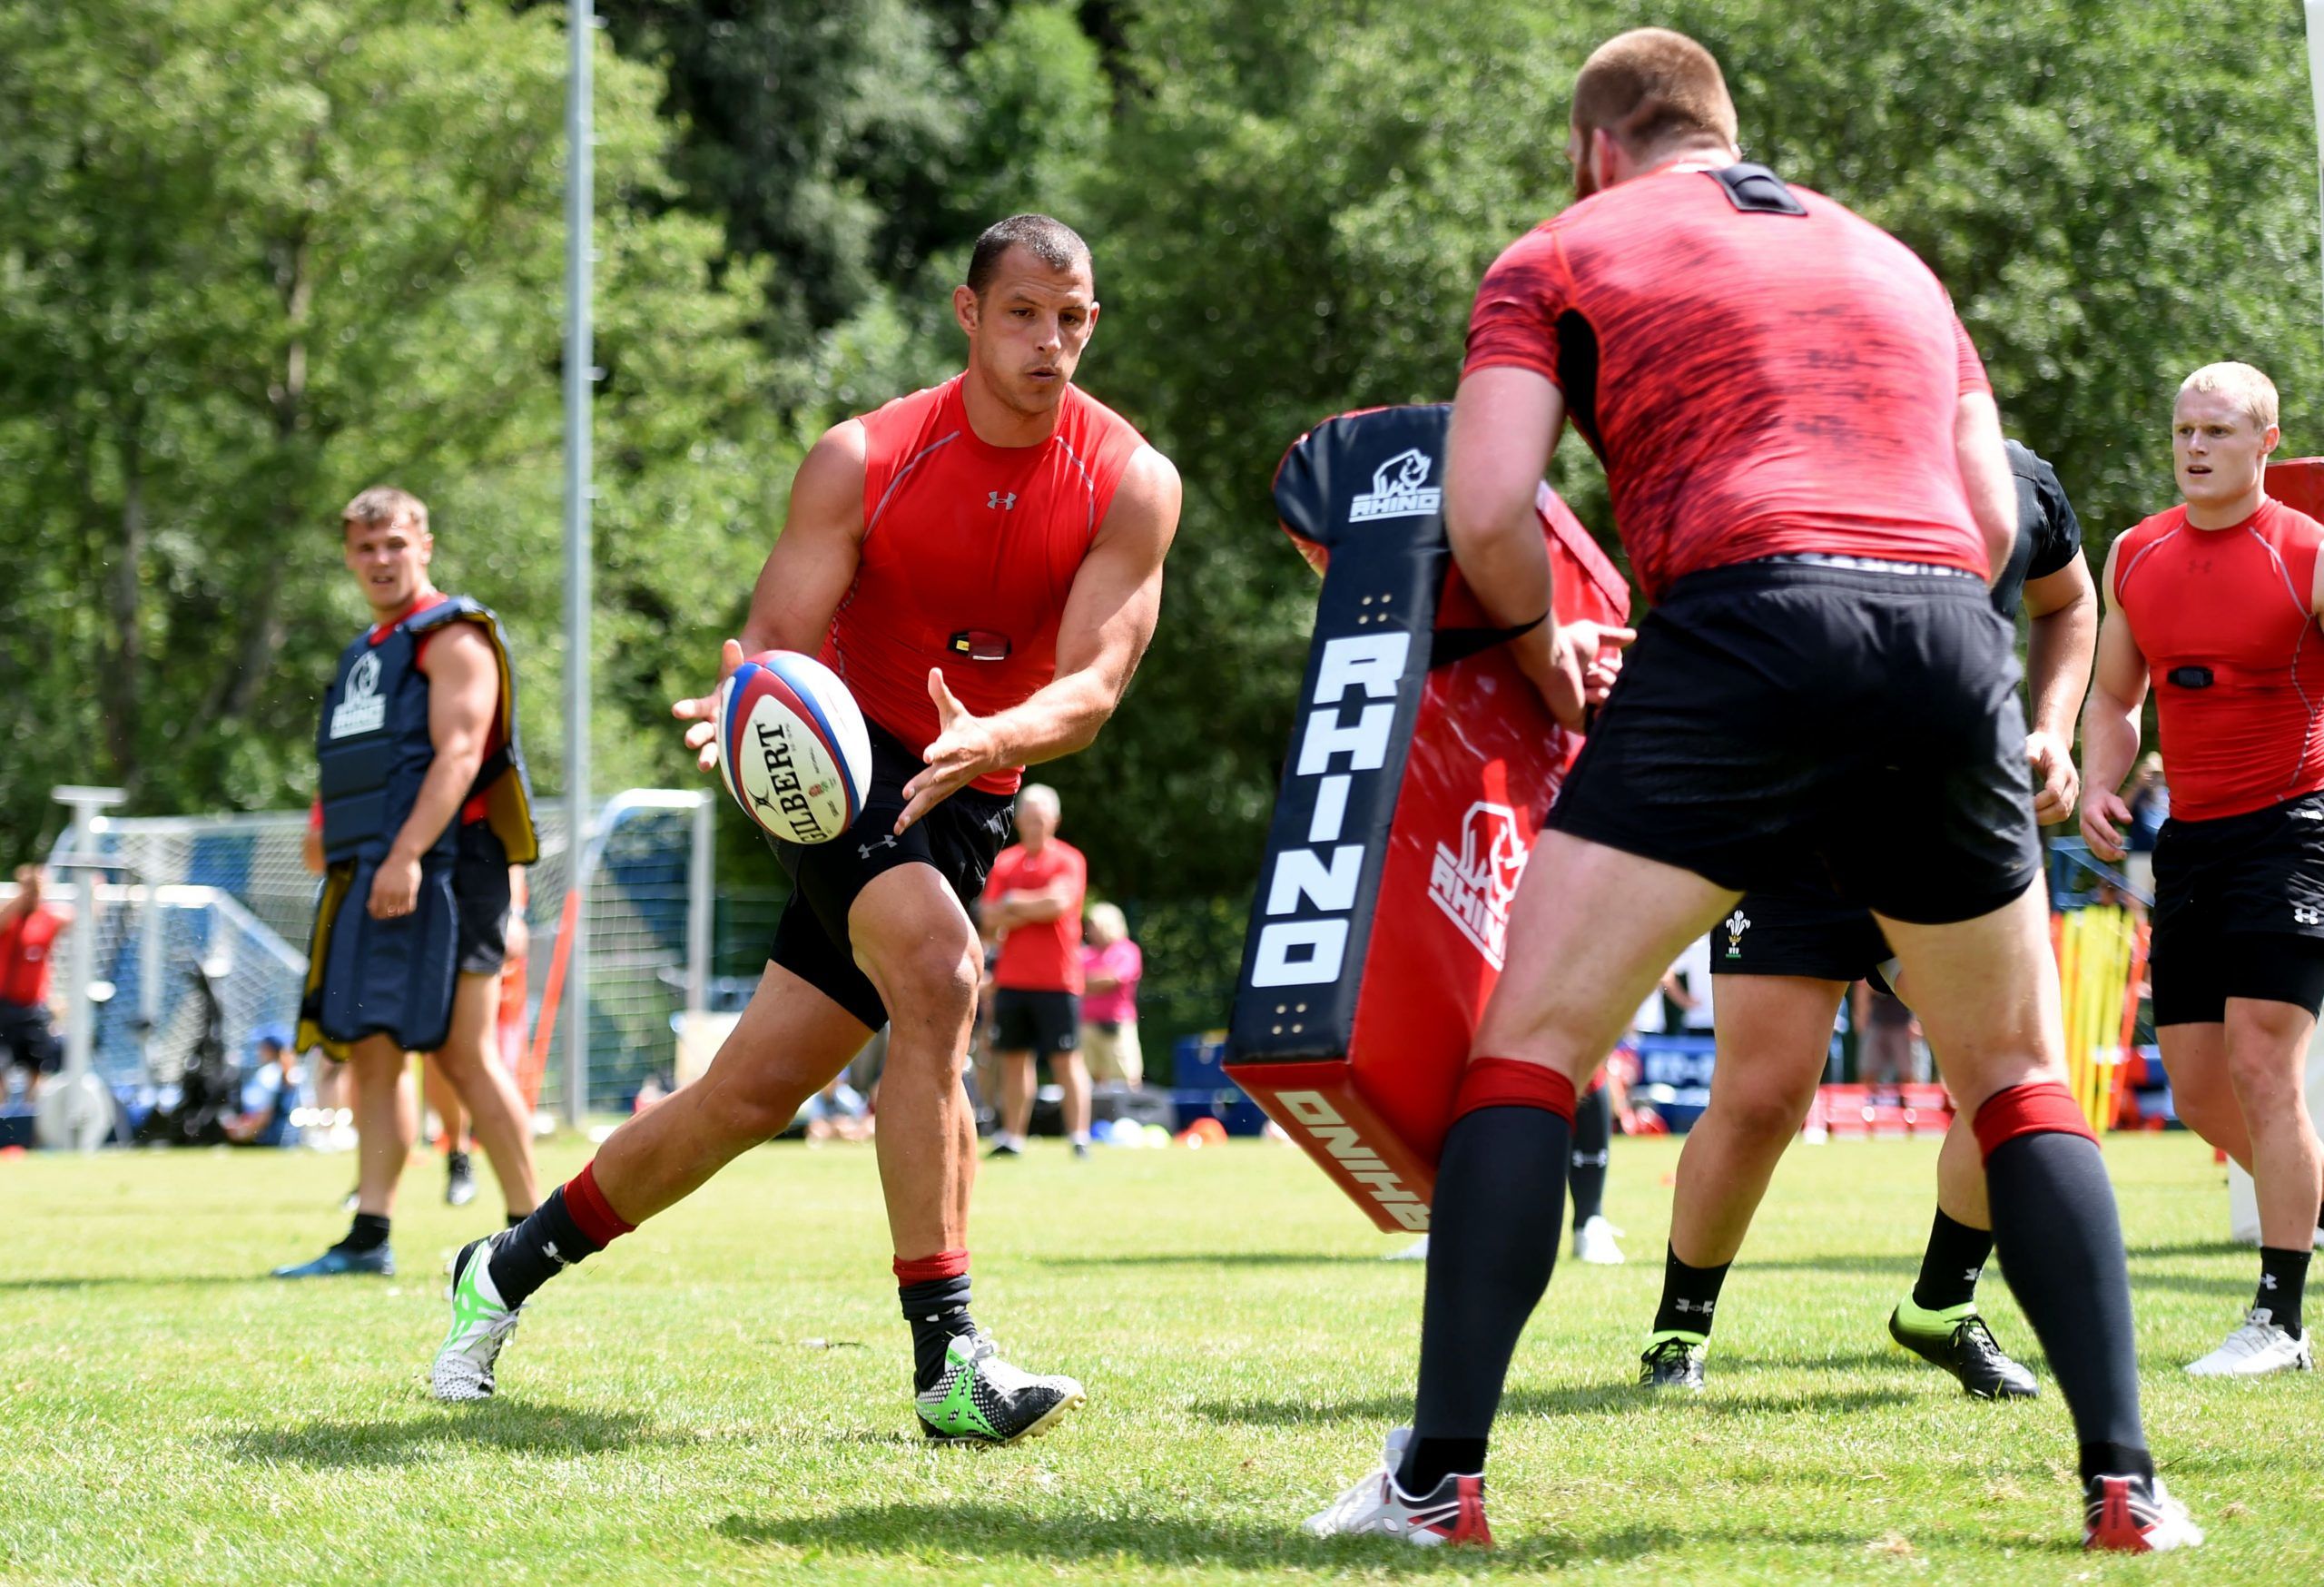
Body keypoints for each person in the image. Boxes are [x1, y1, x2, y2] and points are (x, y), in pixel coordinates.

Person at [1305, 30, 2193, 1553]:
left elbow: (1486, 503)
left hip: (1737, 617)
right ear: (1729, 131)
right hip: (1939, 635)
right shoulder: (1894, 261)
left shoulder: (1561, 249)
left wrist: (1538, 648)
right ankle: (2126, 1482)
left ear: (1596, 148)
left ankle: (1440, 1476)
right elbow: (1989, 515)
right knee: (2017, 1076)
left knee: (1529, 1046)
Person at [434, 214, 1182, 1446]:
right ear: (966, 312)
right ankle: (950, 1359)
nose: (1052, 342)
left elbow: (1095, 687)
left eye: (1074, 318)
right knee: (943, 978)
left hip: (972, 780)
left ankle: (502, 1267)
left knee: (742, 1100)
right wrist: (747, 713)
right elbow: (779, 643)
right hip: (842, 769)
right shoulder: (864, 456)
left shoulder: (1131, 480)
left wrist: (997, 739)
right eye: (1023, 315)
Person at [1638, 437, 2094, 1401]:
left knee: (2011, 1079)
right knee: (1760, 1098)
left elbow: (2067, 602)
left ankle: (1941, 1304)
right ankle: (1677, 1332)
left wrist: (2052, 729)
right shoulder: (1776, 460)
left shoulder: (2018, 476)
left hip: (1948, 833)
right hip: (1792, 834)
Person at [2083, 361, 2324, 1379]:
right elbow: (2111, 694)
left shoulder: (2304, 553)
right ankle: (2304, 1210)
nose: (2193, 447)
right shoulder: (2135, 555)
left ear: (2264, 441)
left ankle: (2278, 1319)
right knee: (2194, 1086)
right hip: (2190, 836)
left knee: (2264, 1060)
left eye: (2217, 430)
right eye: (2183, 427)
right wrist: (2100, 780)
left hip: (2296, 826)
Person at [276, 486, 544, 1278]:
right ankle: (369, 1235)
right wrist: (331, 827)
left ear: (423, 545)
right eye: (365, 548)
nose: (381, 560)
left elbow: (460, 756)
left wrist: (404, 856)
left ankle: (535, 1230)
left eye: (394, 543)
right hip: (374, 868)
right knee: (372, 1048)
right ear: (349, 556)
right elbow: (367, 753)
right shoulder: (366, 651)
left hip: (452, 869)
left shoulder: (453, 635)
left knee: (461, 1055)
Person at [981, 784, 1091, 1158]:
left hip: (1058, 980)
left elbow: (1058, 904)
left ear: (1055, 820)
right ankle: (1013, 1137)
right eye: (1026, 817)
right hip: (1012, 980)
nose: (1032, 824)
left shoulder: (1068, 859)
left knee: (1066, 1060)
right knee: (1013, 1060)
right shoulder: (1005, 862)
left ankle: (1079, 1137)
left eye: (1039, 817)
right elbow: (987, 914)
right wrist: (1029, 906)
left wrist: (1013, 903)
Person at [0, 866, 66, 1099]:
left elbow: (82, 917)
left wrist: (94, 890)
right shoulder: (10, 916)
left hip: (33, 1008)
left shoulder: (48, 918)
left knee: (38, 1070)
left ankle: (34, 1130)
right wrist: (24, 894)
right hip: (4, 1006)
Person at [1079, 902, 1144, 1089]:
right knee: (1089, 1080)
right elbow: (1071, 981)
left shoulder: (1127, 950)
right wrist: (1097, 980)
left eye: (1094, 925)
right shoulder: (1085, 954)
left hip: (1116, 1025)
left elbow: (1113, 979)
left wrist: (1087, 982)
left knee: (1124, 1077)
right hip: (1086, 1024)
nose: (1089, 930)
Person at [224, 1025, 302, 1148]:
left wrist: (241, 1133)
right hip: (291, 1140)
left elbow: (264, 1115)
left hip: (269, 1140)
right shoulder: (295, 1072)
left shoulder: (268, 1074)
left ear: (269, 1049)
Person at [2122, 754, 2169, 902]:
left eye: (2158, 774)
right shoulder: (2138, 794)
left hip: (2164, 855)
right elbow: (2123, 809)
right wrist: (2138, 783)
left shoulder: (2169, 794)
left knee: (2167, 900)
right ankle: (2141, 927)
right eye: (2151, 773)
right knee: (2136, 901)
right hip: (2140, 854)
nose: (2154, 778)